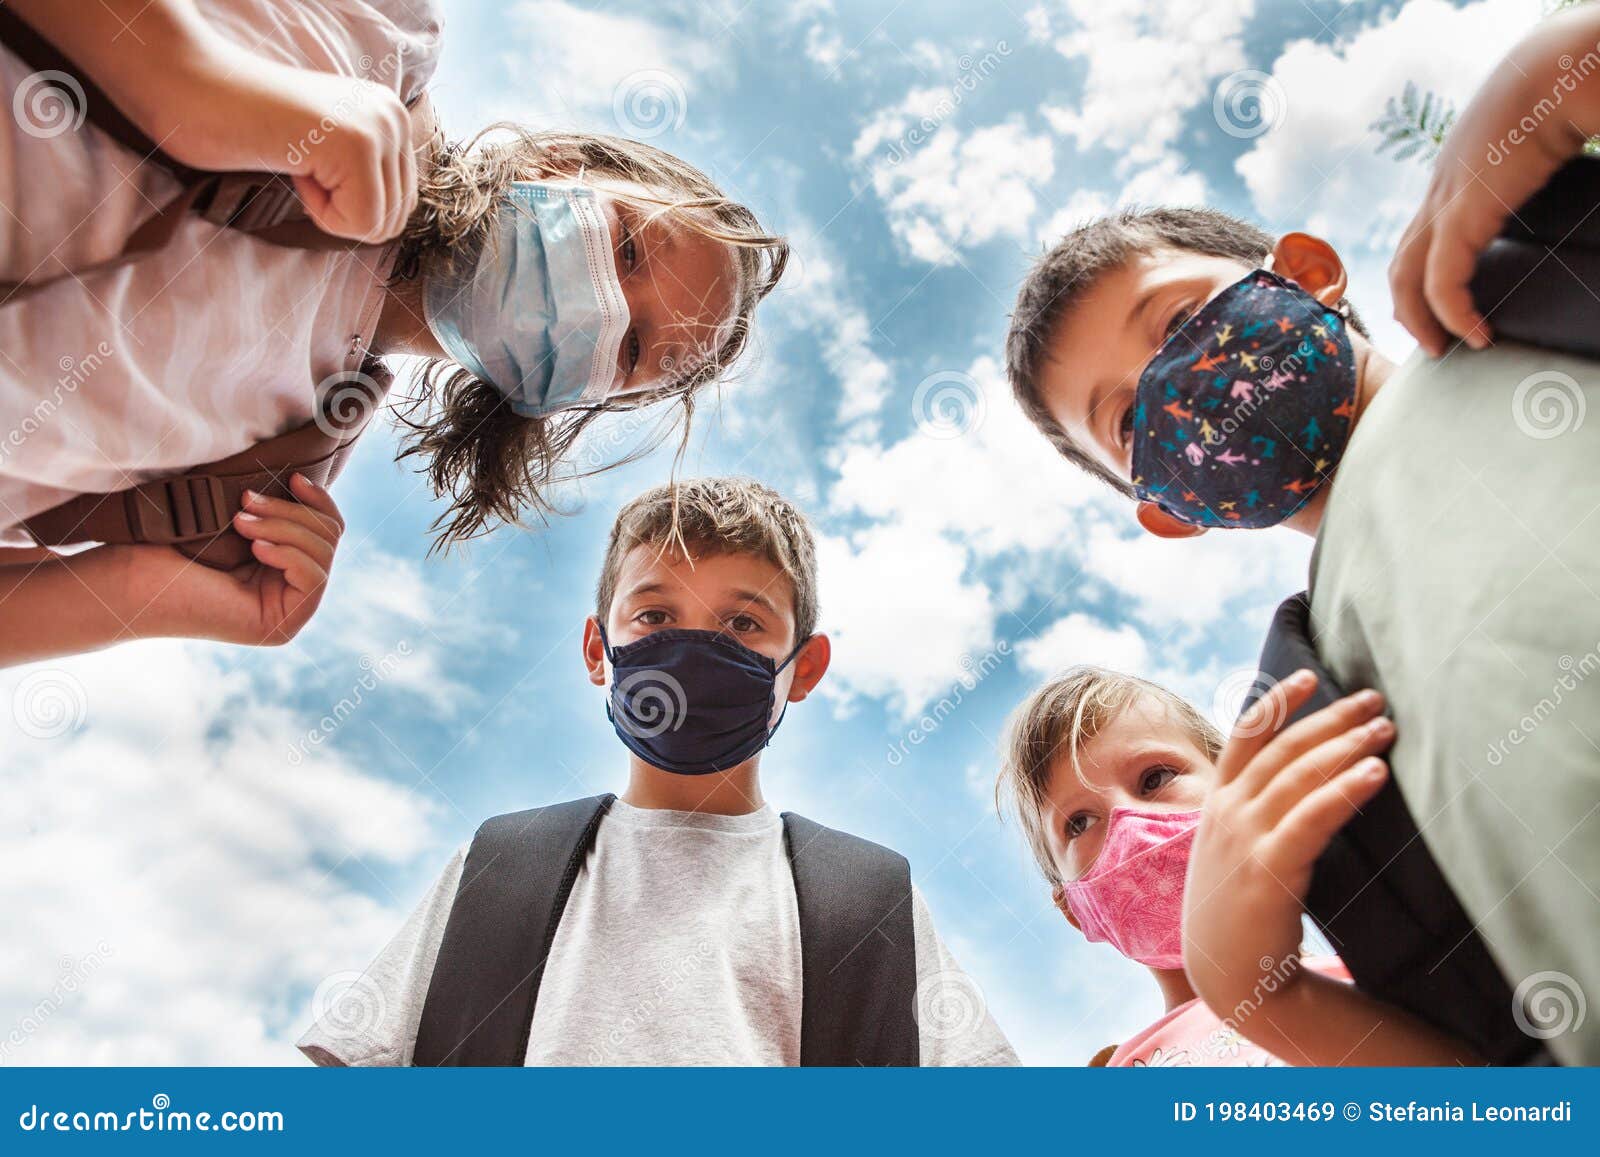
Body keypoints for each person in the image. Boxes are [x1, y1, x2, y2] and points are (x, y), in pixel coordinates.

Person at [1002, 9, 1600, 1062]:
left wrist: (1564, 65)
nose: (1179, 385)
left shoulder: (1544, 275)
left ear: (1309, 269)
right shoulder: (1306, 737)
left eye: (1176, 317)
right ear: (1165, 508)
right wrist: (1258, 992)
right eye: (1130, 420)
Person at [0, 0, 787, 665]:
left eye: (632, 351)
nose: (609, 307)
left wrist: (150, 594)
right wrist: (190, 83)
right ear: (564, 160)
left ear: (572, 399)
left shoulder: (265, 488)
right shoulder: (381, 36)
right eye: (627, 246)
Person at [298, 477, 1018, 1067]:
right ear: (595, 648)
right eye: (653, 616)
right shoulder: (499, 867)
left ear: (805, 668)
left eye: (743, 624)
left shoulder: (868, 899)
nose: (692, 650)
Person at [995, 665, 1477, 1066]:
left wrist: (1274, 1000)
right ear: (1075, 910)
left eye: (1155, 777)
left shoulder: (1376, 978)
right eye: (1078, 823)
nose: (1129, 827)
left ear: (1243, 785)